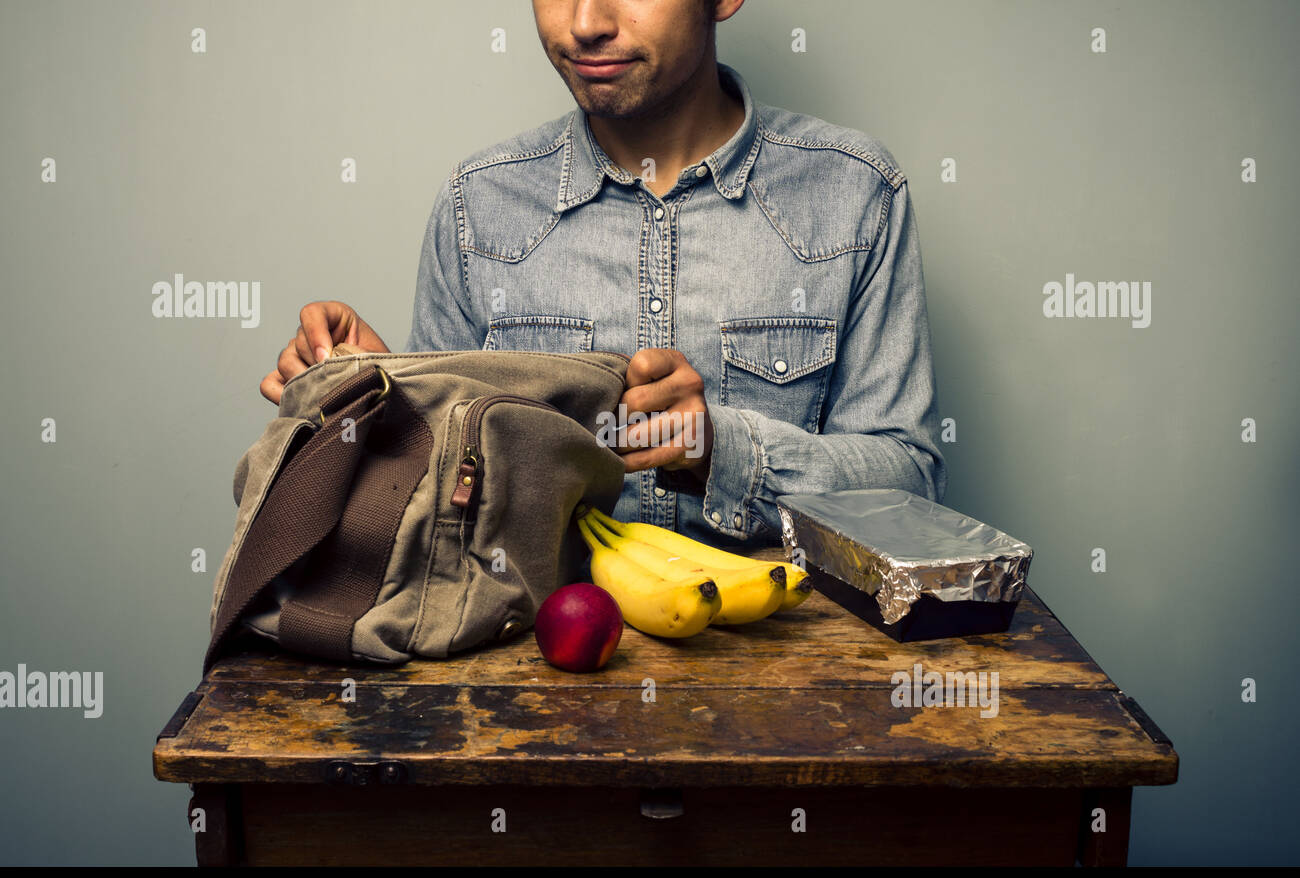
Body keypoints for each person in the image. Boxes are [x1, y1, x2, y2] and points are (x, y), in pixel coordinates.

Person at [260, 0, 946, 548]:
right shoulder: (479, 204)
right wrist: (381, 400)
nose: (585, 23)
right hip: (524, 674)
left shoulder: (856, 192)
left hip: (788, 677)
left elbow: (907, 488)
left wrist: (718, 450)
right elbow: (438, 506)